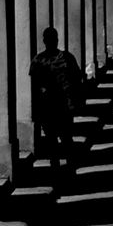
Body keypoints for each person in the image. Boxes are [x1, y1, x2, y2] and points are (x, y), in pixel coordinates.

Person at [29, 27, 84, 181]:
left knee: (55, 140)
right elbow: (77, 81)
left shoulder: (38, 60)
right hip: (60, 106)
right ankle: (67, 170)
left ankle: (59, 171)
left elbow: (34, 88)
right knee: (64, 139)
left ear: (44, 41)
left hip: (51, 107)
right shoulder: (66, 58)